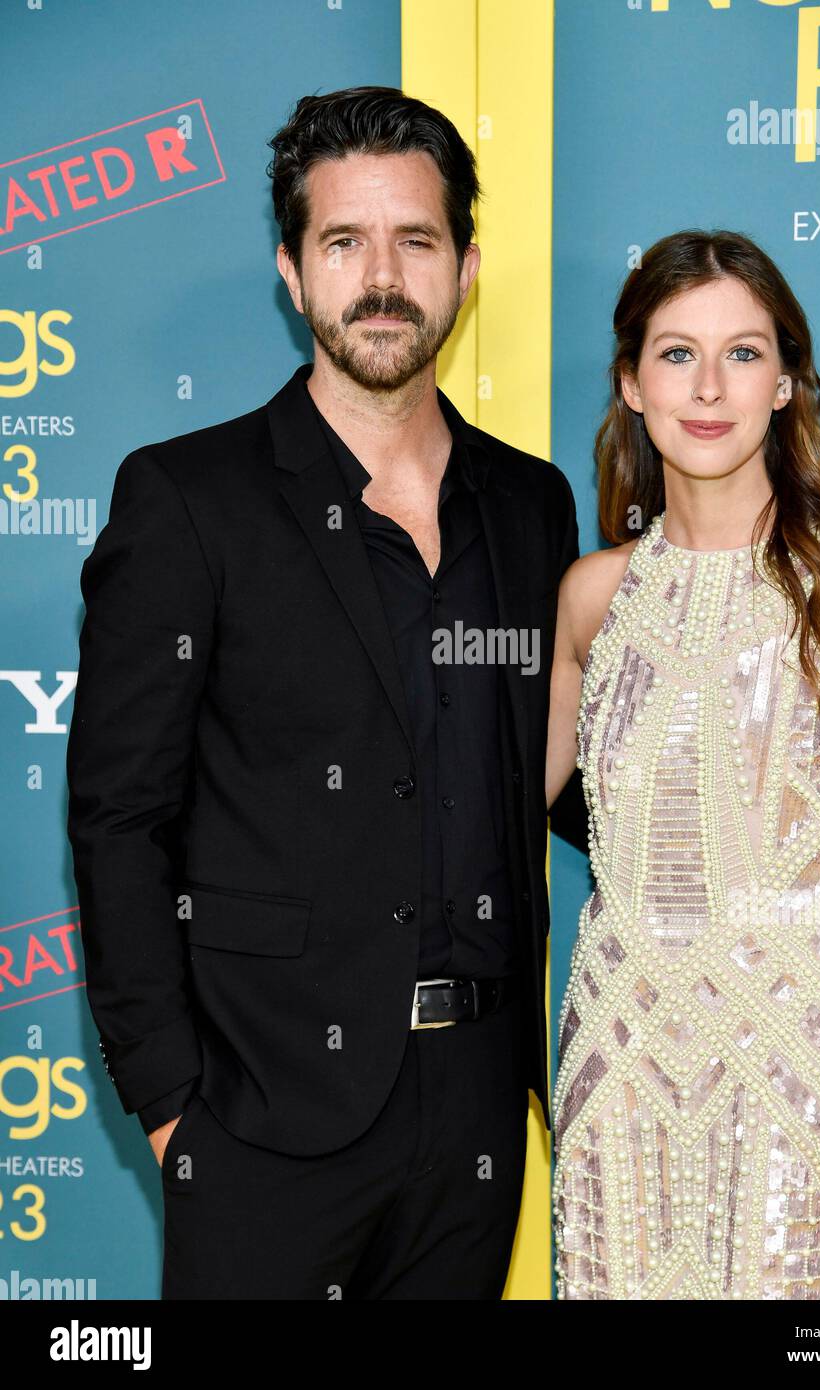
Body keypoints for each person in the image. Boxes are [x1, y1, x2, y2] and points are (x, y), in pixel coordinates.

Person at [66, 85, 586, 1300]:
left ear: (464, 266)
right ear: (294, 275)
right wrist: (171, 1111)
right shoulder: (191, 500)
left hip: (474, 1102)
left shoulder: (531, 504)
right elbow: (118, 818)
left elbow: (549, 771)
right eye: (344, 243)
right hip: (261, 1108)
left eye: (415, 240)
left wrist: (754, 851)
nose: (383, 277)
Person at [545, 229, 820, 1301]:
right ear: (631, 384)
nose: (709, 385)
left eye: (743, 353)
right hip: (623, 1045)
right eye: (676, 353)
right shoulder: (592, 596)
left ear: (785, 381)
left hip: (802, 1038)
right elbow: (509, 809)